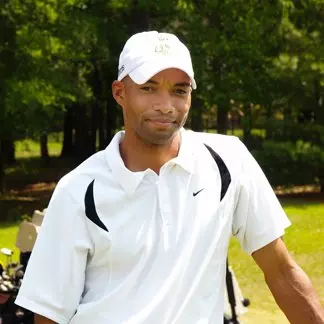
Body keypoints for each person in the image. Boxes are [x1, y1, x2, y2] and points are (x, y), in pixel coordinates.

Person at [15, 31, 324, 324]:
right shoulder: (78, 190)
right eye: (149, 87)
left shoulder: (229, 161)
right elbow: (50, 314)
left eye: (179, 90)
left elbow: (281, 271)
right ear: (119, 92)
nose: (165, 106)